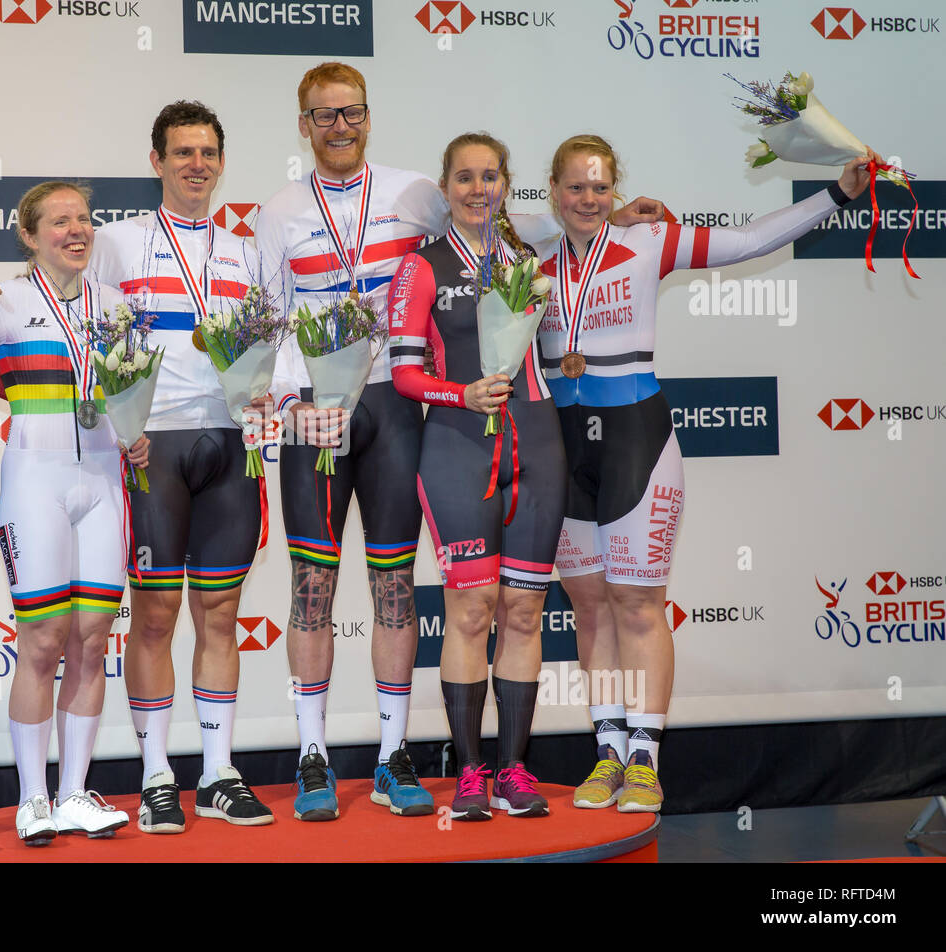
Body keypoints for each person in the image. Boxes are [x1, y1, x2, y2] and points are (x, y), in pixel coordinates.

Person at [255, 62, 661, 821]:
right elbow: (268, 314)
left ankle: (393, 755)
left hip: (402, 419)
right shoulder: (276, 212)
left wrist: (610, 215)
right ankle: (312, 754)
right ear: (303, 123)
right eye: (324, 116)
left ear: (369, 118)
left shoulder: (414, 192)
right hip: (319, 412)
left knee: (398, 588)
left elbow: (513, 230)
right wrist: (287, 399)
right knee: (312, 588)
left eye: (351, 114)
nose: (339, 127)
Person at [0, 102, 276, 833]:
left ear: (222, 162)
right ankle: (155, 774)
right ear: (157, 161)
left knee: (215, 615)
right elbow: (19, 344)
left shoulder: (246, 250)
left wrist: (272, 390)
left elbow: (268, 337)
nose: (196, 163)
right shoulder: (116, 248)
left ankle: (220, 772)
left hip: (221, 441)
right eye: (181, 151)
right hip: (147, 447)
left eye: (208, 152)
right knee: (147, 618)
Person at [540, 134, 875, 813]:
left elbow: (750, 241)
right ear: (553, 191)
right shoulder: (535, 256)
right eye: (575, 187)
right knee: (589, 606)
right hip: (563, 447)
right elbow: (476, 215)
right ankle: (606, 754)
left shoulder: (648, 242)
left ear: (615, 189)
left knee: (635, 605)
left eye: (600, 188)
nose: (589, 199)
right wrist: (558, 222)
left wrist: (836, 193)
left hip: (636, 437)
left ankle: (644, 760)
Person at [388, 133, 566, 821]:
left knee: (524, 609)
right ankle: (469, 773)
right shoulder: (422, 267)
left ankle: (515, 769)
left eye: (490, 176)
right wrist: (460, 395)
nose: (478, 188)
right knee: (470, 608)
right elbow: (405, 374)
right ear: (446, 187)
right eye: (464, 177)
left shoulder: (530, 259)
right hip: (459, 445)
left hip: (537, 442)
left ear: (505, 184)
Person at [0, 181, 148, 844]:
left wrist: (137, 429)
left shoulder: (117, 307)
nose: (77, 230)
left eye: (84, 220)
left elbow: (129, 396)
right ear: (30, 234)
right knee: (41, 643)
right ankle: (32, 799)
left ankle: (74, 793)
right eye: (60, 221)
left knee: (93, 641)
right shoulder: (4, 303)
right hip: (34, 484)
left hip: (102, 485)